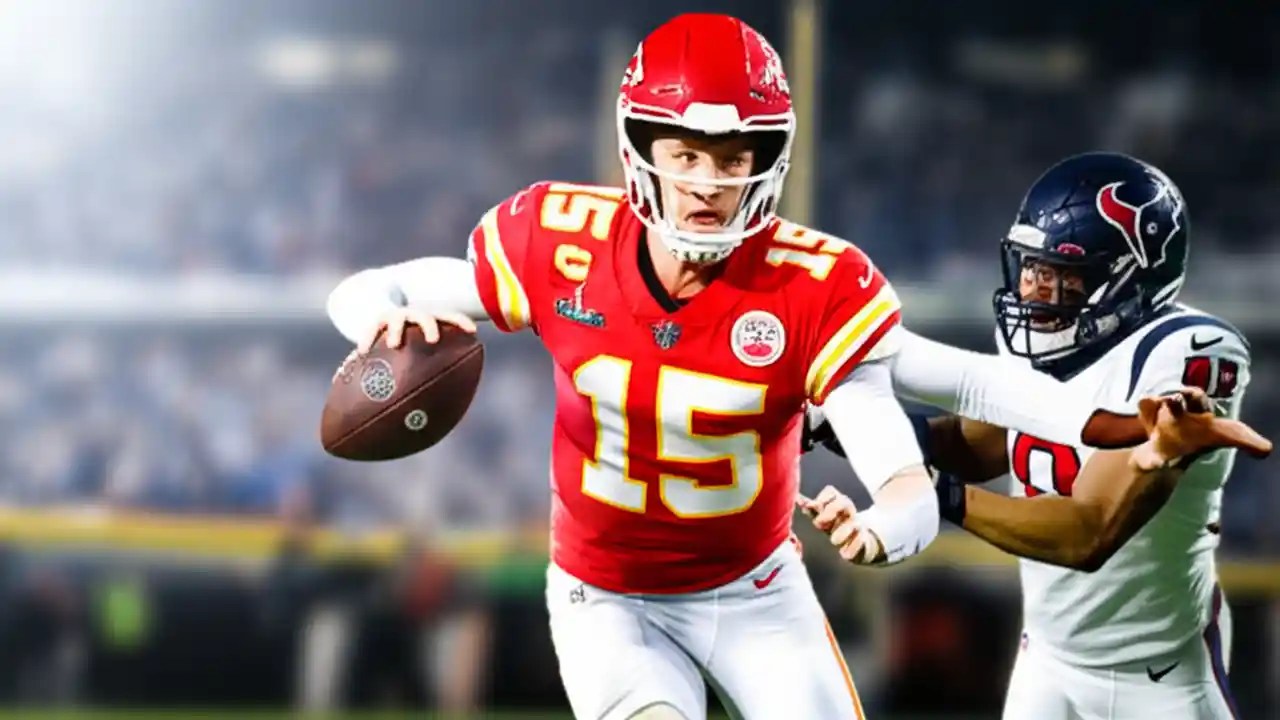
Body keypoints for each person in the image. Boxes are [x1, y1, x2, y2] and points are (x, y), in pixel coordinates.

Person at [325, 16, 1213, 719]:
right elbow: (372, 287)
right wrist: (380, 316)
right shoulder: (560, 243)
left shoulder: (813, 285)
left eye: (732, 157)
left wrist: (901, 519)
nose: (708, 182)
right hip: (605, 593)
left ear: (765, 159)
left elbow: (919, 441)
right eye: (686, 157)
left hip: (756, 593)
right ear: (644, 154)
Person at [806, 153, 1271, 720]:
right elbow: (986, 442)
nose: (1036, 293)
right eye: (1032, 269)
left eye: (1065, 277)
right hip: (1048, 659)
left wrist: (931, 491)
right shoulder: (1046, 334)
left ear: (1133, 278)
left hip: (1161, 674)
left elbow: (1089, 531)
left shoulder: (1183, 355)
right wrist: (851, 425)